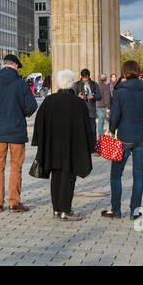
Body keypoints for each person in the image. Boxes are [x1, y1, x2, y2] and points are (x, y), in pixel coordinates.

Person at [30, 68, 95, 221]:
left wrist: (40, 143)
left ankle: (57, 209)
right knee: (69, 176)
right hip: (72, 147)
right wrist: (89, 146)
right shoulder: (78, 104)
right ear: (72, 84)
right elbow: (87, 128)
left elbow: (39, 123)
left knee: (56, 177)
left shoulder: (49, 101)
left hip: (52, 148)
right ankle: (66, 209)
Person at [101, 59, 143, 220]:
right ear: (138, 72)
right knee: (138, 175)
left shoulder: (121, 92)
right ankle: (135, 211)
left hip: (124, 138)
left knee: (116, 174)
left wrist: (112, 129)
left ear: (124, 73)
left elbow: (115, 116)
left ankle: (116, 210)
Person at [0, 53, 38, 212]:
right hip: (16, 130)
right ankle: (14, 202)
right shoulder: (21, 84)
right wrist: (20, 112)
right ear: (16, 66)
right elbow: (31, 107)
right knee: (16, 167)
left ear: (3, 65)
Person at [97, 74, 114, 142]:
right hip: (104, 106)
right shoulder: (106, 86)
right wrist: (108, 107)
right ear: (106, 79)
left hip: (98, 105)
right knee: (109, 120)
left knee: (100, 121)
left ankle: (100, 136)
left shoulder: (97, 86)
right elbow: (107, 97)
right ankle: (112, 135)